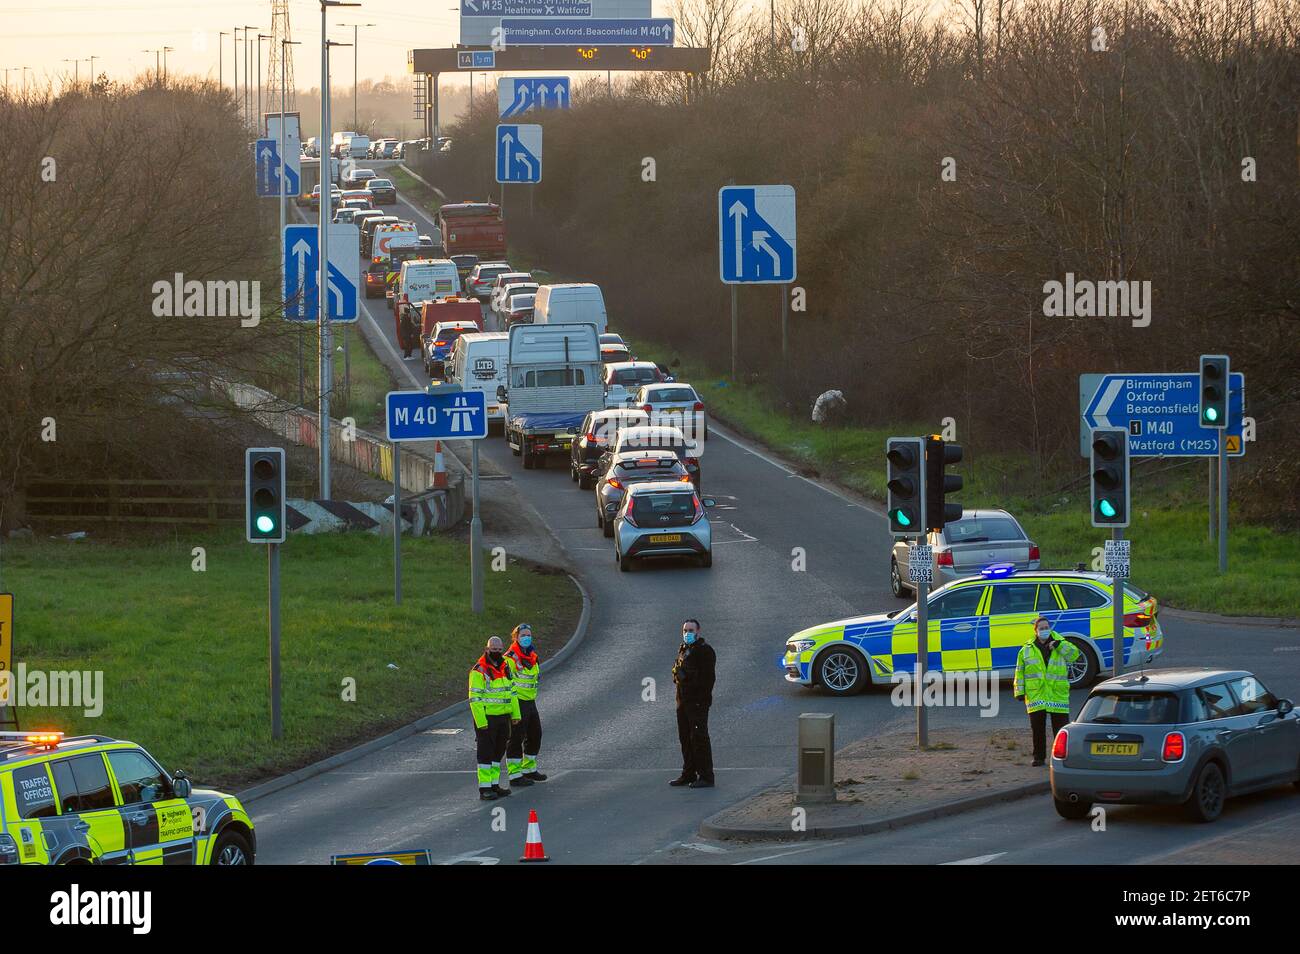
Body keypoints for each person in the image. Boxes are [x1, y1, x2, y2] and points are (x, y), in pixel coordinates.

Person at [1013, 615, 1082, 766]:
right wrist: (1019, 691)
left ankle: (1061, 757)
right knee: (1037, 729)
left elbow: (1075, 656)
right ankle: (1039, 757)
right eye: (1041, 628)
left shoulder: (1061, 643)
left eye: (1046, 627)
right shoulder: (1026, 649)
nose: (1045, 630)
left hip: (1057, 693)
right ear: (1035, 631)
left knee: (1060, 729)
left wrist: (1058, 646)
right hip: (1036, 694)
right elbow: (1020, 671)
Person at [469, 636, 521, 800]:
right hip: (487, 719)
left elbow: (512, 692)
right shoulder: (479, 671)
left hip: (503, 717)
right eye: (494, 649)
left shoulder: (505, 667)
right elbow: (475, 699)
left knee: (498, 752)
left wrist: (516, 714)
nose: (497, 652)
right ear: (487, 648)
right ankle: (484, 789)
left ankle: (494, 784)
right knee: (485, 754)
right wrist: (481, 722)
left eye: (499, 650)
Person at [670, 618, 716, 789]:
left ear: (698, 631)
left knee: (699, 738)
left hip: (697, 703)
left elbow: (707, 680)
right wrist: (678, 675)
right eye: (685, 630)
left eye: (690, 630)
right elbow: (677, 671)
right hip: (682, 701)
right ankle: (689, 772)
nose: (687, 633)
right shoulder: (684, 649)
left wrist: (699, 699)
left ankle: (706, 776)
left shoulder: (704, 651)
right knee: (685, 738)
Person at [504, 623, 547, 786]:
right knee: (516, 737)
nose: (527, 638)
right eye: (523, 635)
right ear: (515, 637)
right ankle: (515, 775)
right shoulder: (509, 658)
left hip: (530, 701)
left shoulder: (532, 656)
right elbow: (506, 681)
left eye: (529, 635)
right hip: (517, 702)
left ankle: (529, 769)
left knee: (535, 735)